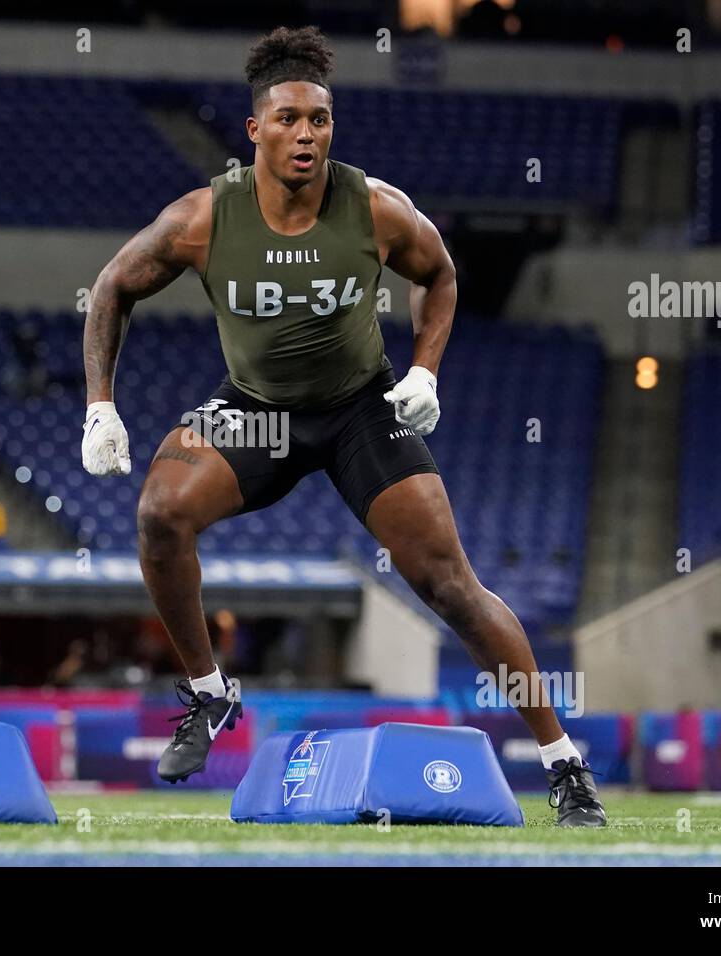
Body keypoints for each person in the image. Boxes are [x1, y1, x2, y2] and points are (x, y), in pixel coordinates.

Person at [80, 26, 605, 825]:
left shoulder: (376, 208)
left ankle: (564, 765)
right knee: (159, 514)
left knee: (451, 586)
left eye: (319, 121)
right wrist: (99, 405)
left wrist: (426, 369)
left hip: (359, 409)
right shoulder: (202, 218)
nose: (306, 135)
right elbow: (112, 287)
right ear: (254, 129)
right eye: (288, 119)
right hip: (257, 412)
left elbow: (440, 275)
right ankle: (210, 693)